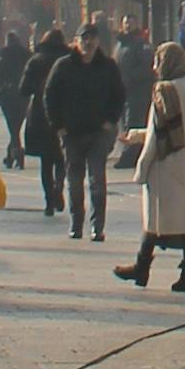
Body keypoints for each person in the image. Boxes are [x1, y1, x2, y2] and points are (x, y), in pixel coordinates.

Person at [117, 42, 185, 290]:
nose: (154, 66)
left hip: (167, 167)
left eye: (157, 60)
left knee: (155, 221)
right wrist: (136, 134)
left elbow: (158, 135)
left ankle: (142, 267)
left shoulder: (164, 90)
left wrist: (142, 167)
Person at [44, 21, 126, 237]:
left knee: (97, 180)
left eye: (92, 38)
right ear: (76, 41)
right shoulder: (63, 66)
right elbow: (50, 96)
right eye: (84, 38)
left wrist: (111, 121)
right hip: (71, 133)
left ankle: (97, 227)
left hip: (98, 132)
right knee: (74, 181)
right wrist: (58, 126)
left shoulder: (108, 66)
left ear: (98, 41)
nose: (88, 42)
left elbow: (119, 95)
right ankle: (76, 224)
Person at [18, 20, 71, 213]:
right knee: (62, 157)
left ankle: (49, 200)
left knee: (46, 161)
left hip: (40, 114)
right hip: (64, 112)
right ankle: (59, 186)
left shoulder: (36, 59)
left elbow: (23, 89)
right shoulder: (69, 59)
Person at [0, 24, 32, 163]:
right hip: (23, 95)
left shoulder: (3, 60)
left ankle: (16, 155)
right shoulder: (26, 57)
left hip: (7, 97)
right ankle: (12, 156)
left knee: (12, 127)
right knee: (16, 127)